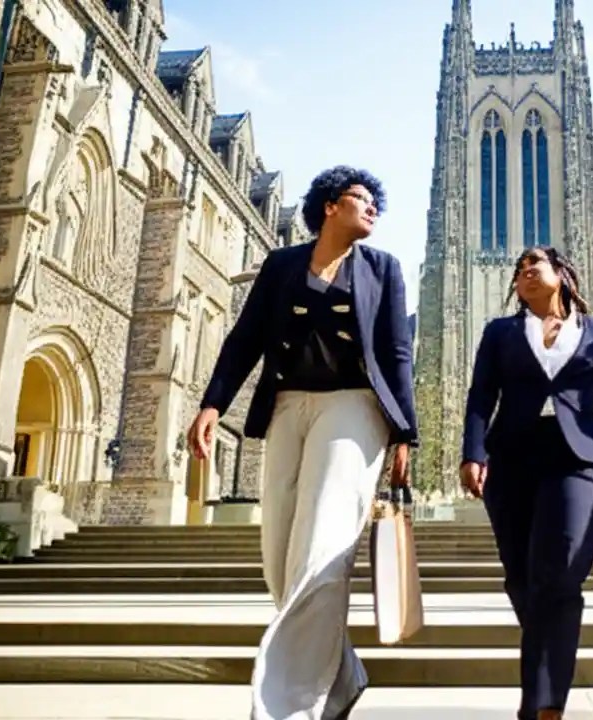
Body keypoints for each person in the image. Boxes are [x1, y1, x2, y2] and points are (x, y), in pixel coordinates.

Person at [188, 166, 417, 720]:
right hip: (288, 404)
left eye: (375, 204)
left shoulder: (383, 269)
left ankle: (288, 706)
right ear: (331, 206)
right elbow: (245, 339)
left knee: (322, 544)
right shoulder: (282, 265)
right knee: (281, 556)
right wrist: (212, 403)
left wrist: (405, 432)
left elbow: (397, 353)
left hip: (354, 406)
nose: (374, 210)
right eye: (364, 199)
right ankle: (342, 674)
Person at [461, 246, 593, 720]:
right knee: (522, 578)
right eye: (519, 271)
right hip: (513, 457)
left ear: (561, 275)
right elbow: (481, 395)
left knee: (559, 575)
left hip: (578, 460)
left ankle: (544, 705)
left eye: (533, 266)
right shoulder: (499, 333)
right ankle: (545, 669)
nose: (524, 274)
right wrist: (473, 452)